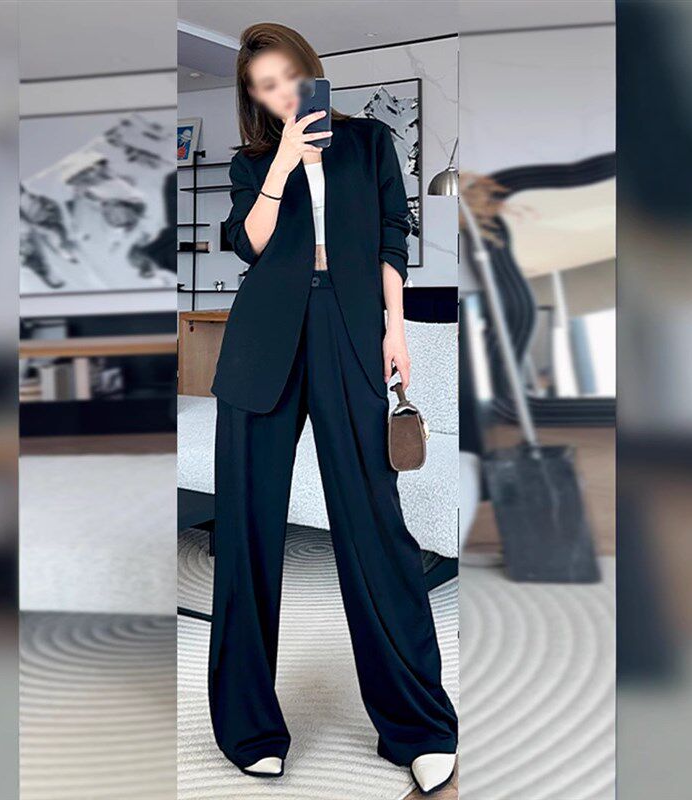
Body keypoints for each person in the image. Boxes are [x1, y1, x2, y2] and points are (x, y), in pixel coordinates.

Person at [207, 22, 458, 795]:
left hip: (349, 330)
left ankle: (417, 725)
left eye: (290, 77)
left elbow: (390, 239)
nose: (283, 93)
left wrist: (395, 330)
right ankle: (249, 727)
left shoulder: (370, 143)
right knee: (247, 532)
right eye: (266, 87)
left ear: (310, 72)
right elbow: (249, 244)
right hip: (262, 341)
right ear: (255, 98)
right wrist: (284, 160)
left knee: (376, 524)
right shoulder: (252, 161)